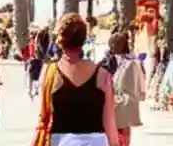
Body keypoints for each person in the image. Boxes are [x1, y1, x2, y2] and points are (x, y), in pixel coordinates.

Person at [35, 13, 120, 146]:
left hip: (60, 142)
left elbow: (43, 117)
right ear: (83, 39)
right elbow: (109, 122)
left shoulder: (50, 72)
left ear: (60, 38)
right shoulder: (102, 75)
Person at [106, 32, 145, 146]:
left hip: (122, 111)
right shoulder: (112, 61)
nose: (112, 48)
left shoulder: (131, 64)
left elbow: (132, 92)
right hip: (115, 110)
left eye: (114, 44)